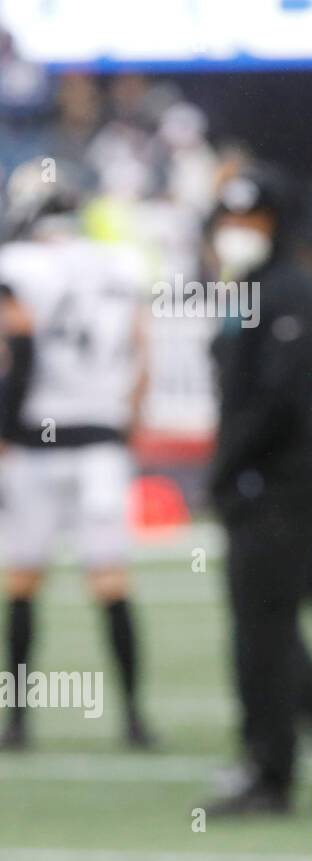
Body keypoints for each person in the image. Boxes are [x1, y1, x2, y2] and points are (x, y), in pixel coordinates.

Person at [206, 164, 312, 814]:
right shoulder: (255, 288)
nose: (240, 232)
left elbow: (276, 400)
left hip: (286, 482)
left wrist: (225, 467)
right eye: (231, 220)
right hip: (276, 480)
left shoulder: (292, 291)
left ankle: (271, 772)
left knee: (264, 631)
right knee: (267, 624)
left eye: (253, 219)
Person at [0, 161, 153, 750]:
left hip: (35, 440)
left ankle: (17, 724)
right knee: (110, 579)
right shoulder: (117, 263)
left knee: (21, 579)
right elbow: (142, 352)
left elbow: (14, 346)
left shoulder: (16, 265)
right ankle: (135, 720)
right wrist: (126, 422)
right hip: (101, 442)